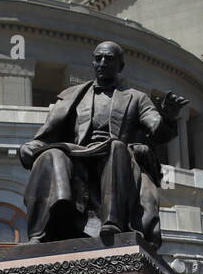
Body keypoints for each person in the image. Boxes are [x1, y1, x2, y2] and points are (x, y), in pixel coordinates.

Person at [19, 41, 188, 248]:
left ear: (120, 66)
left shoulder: (136, 98)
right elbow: (49, 133)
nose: (102, 63)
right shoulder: (74, 95)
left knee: (116, 146)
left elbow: (157, 130)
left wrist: (168, 117)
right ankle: (40, 234)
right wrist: (31, 146)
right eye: (98, 58)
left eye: (109, 59)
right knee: (50, 155)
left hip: (117, 156)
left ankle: (112, 224)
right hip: (79, 156)